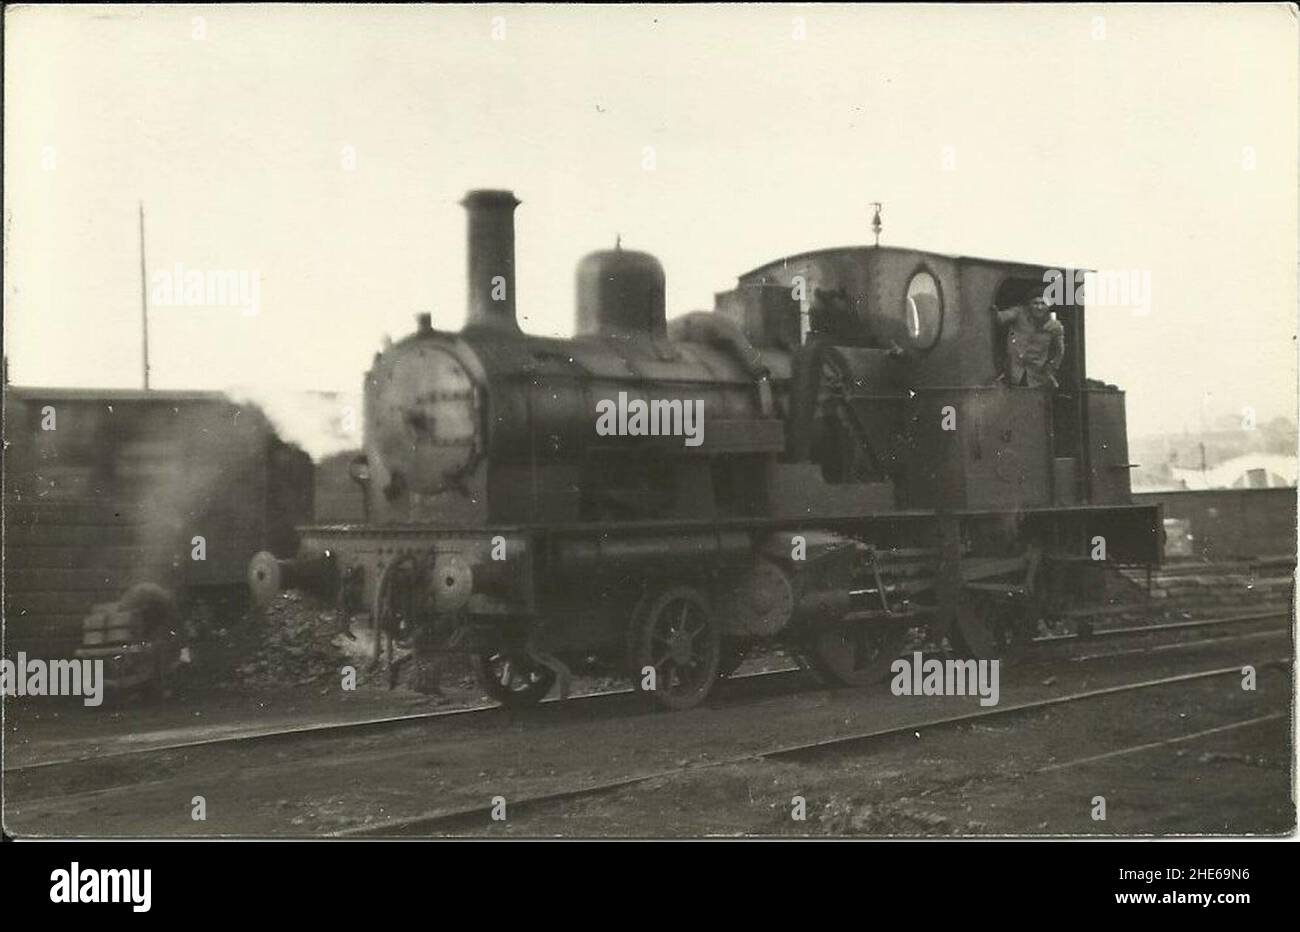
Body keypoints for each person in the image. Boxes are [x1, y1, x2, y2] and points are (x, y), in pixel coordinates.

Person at [991, 294, 1065, 387]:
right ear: (1029, 305)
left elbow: (1059, 351)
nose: (1039, 307)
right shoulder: (1018, 313)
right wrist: (994, 312)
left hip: (1038, 377)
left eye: (1043, 303)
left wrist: (1051, 369)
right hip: (1012, 373)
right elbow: (1000, 318)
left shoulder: (1055, 327)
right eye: (1035, 303)